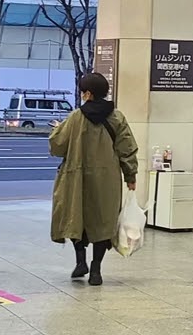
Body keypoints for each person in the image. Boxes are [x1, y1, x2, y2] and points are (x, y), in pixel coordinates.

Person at [49, 72, 139, 286]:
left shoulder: (75, 118)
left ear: (88, 94)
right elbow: (128, 149)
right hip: (107, 180)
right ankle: (96, 270)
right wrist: (130, 176)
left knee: (75, 218)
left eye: (82, 92)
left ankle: (81, 261)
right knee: (103, 222)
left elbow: (57, 147)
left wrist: (56, 130)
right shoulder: (117, 117)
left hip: (76, 178)